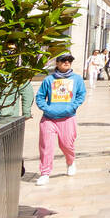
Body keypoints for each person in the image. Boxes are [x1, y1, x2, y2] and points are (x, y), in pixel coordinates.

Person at [34, 54, 86, 185]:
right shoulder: (48, 79)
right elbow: (40, 96)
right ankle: (45, 173)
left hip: (68, 117)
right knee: (46, 146)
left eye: (69, 60)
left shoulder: (77, 79)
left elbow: (81, 95)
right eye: (63, 60)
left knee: (67, 144)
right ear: (57, 63)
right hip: (49, 118)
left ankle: (70, 162)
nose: (67, 62)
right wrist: (46, 109)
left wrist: (72, 107)